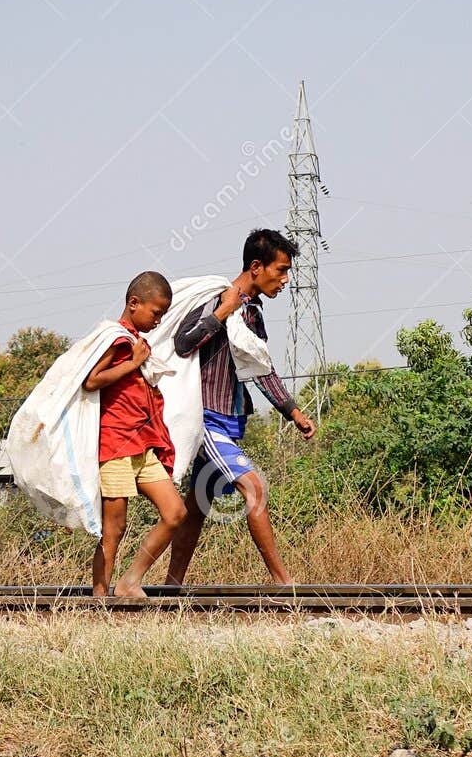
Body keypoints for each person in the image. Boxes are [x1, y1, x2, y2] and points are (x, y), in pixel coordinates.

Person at [166, 229, 315, 585]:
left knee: (195, 510)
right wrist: (221, 312)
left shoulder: (253, 314)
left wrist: (292, 411)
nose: (285, 279)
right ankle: (283, 583)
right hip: (205, 420)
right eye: (280, 270)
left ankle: (167, 586)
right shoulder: (219, 300)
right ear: (256, 267)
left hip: (230, 420)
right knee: (255, 489)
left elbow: (261, 367)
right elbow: (183, 343)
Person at [81, 271, 187, 599]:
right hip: (115, 445)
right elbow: (92, 380)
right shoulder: (116, 338)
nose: (157, 321)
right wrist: (133, 363)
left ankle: (129, 581)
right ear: (134, 303)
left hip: (142, 445)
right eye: (155, 313)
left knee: (175, 513)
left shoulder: (136, 341)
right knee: (114, 529)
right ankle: (100, 599)